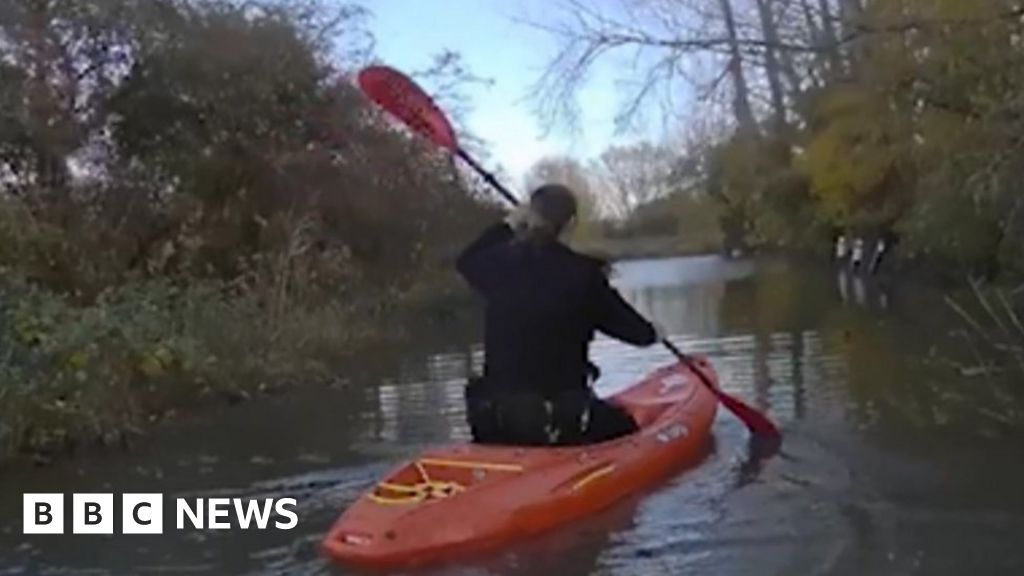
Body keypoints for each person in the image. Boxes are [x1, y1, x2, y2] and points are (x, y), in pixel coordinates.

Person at [457, 184, 663, 446]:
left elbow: (466, 260)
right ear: (571, 223)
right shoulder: (584, 276)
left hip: (495, 422)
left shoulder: (497, 265)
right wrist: (654, 332)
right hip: (561, 422)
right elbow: (632, 330)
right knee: (626, 427)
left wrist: (508, 224)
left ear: (529, 216)